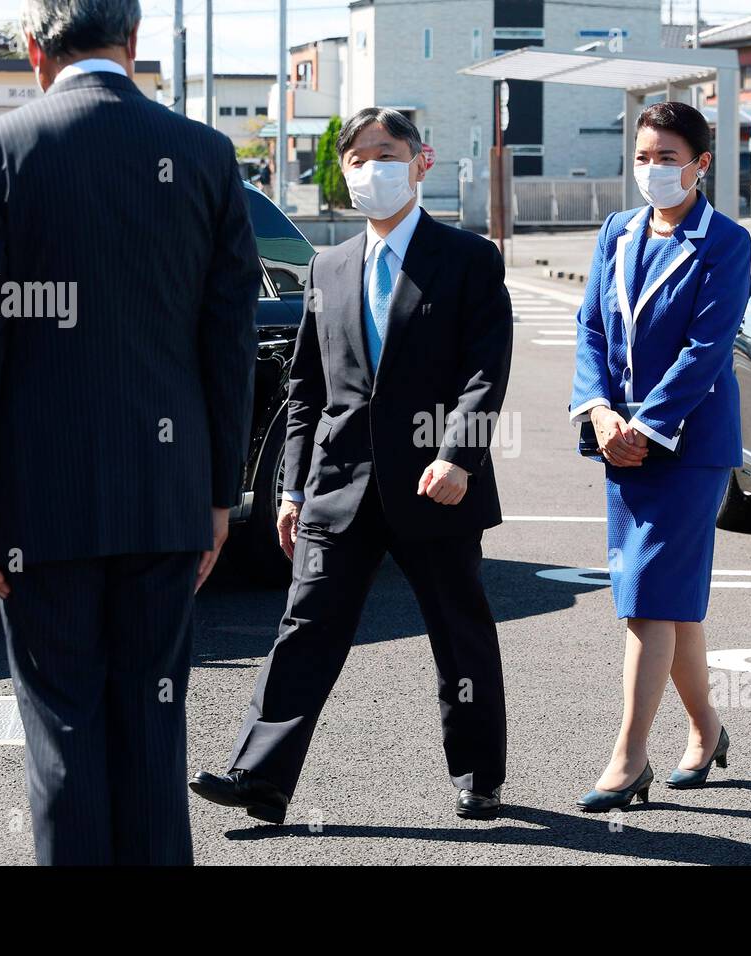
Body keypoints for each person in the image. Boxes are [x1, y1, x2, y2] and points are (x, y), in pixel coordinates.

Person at [0, 0, 260, 864]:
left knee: (64, 733)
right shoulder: (204, 154)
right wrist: (219, 495)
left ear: (38, 49)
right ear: (135, 41)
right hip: (166, 496)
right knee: (154, 731)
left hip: (38, 504)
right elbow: (227, 341)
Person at [189, 108, 514, 823]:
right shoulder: (329, 266)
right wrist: (290, 489)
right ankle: (260, 777)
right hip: (338, 486)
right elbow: (305, 391)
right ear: (344, 172)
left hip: (437, 484)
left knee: (458, 631)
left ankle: (479, 774)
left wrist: (458, 454)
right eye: (359, 159)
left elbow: (485, 374)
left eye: (387, 154)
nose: (372, 169)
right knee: (305, 624)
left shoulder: (466, 260)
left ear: (422, 160)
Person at [569, 101, 751, 812]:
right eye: (644, 157)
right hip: (621, 442)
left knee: (646, 599)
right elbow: (589, 327)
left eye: (668, 157)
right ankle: (706, 729)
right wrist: (601, 411)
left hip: (687, 446)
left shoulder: (725, 242)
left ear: (702, 163)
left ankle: (627, 757)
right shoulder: (618, 231)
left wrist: (647, 424)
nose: (654, 170)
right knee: (671, 600)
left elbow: (708, 349)